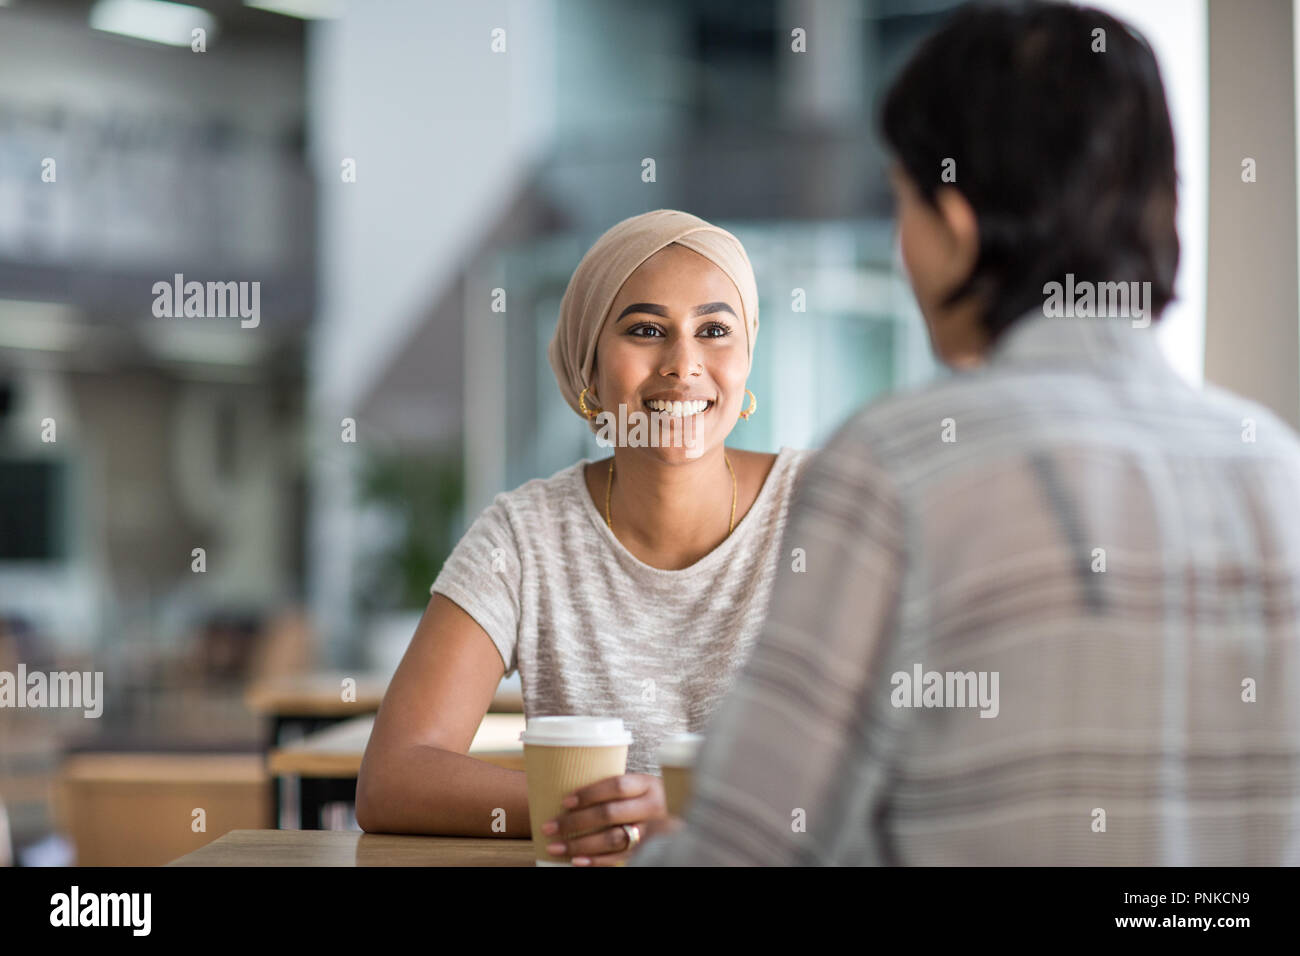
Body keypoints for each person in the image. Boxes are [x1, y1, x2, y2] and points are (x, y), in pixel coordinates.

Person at [631, 0, 1300, 865]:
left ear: (957, 227)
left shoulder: (898, 467)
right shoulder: (1278, 473)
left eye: (905, 203)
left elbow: (748, 855)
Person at [356, 209, 814, 865]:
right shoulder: (525, 537)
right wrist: (616, 817)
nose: (684, 364)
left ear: (745, 368)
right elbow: (393, 778)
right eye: (646, 330)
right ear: (589, 372)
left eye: (714, 330)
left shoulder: (827, 510)